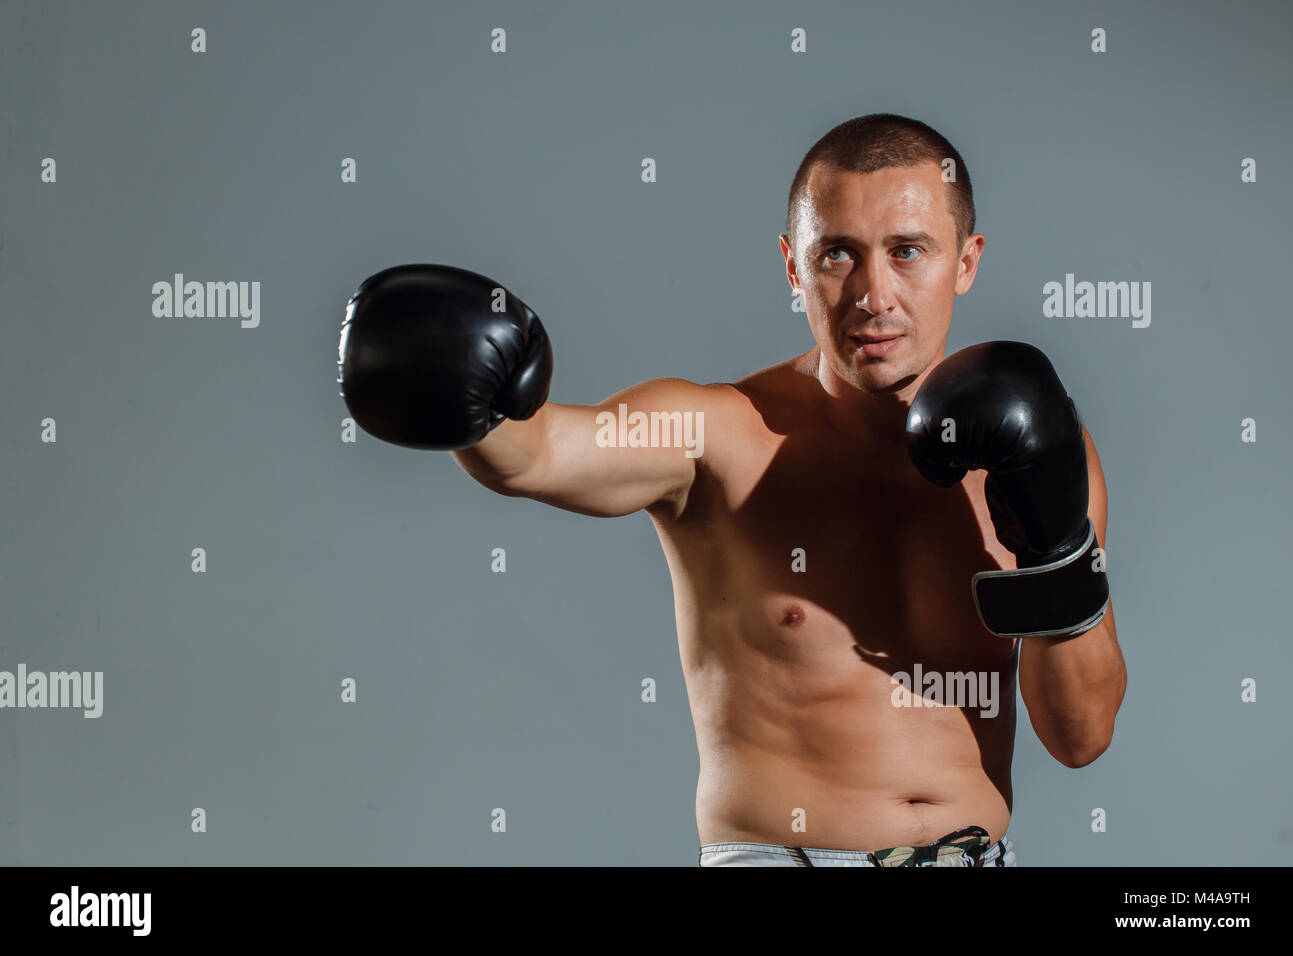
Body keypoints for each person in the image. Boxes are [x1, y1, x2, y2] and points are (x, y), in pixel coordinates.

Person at [337, 113, 1126, 867]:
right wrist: (460, 384)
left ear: (967, 258)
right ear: (793, 266)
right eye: (838, 255)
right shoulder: (717, 436)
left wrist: (1055, 549)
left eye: (909, 251)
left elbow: (1080, 734)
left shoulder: (1044, 450)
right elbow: (539, 452)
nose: (874, 295)